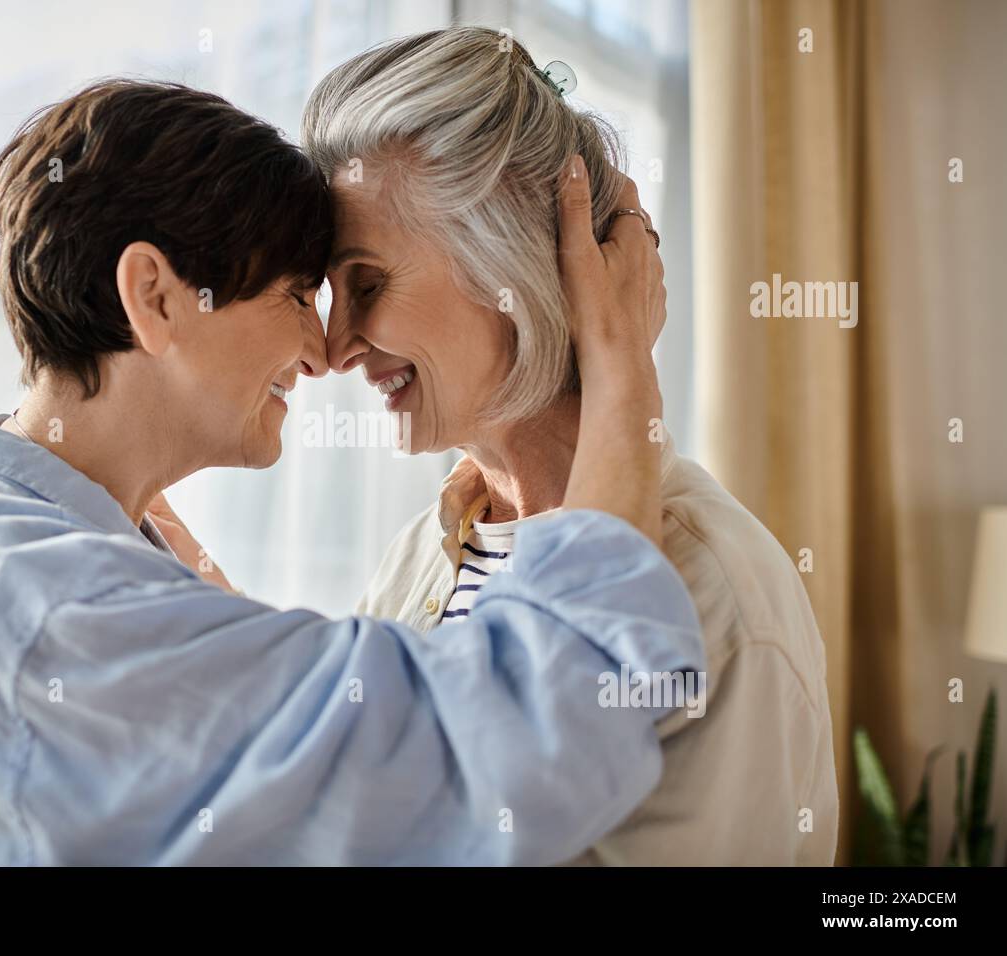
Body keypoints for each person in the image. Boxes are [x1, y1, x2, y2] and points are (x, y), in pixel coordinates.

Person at [0, 78, 701, 865]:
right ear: (154, 295)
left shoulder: (40, 560)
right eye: (299, 295)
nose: (320, 350)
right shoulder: (57, 611)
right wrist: (621, 357)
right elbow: (538, 731)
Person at [301, 27, 838, 864]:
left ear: (515, 262)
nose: (337, 349)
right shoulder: (426, 553)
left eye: (366, 283)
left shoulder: (715, 593)